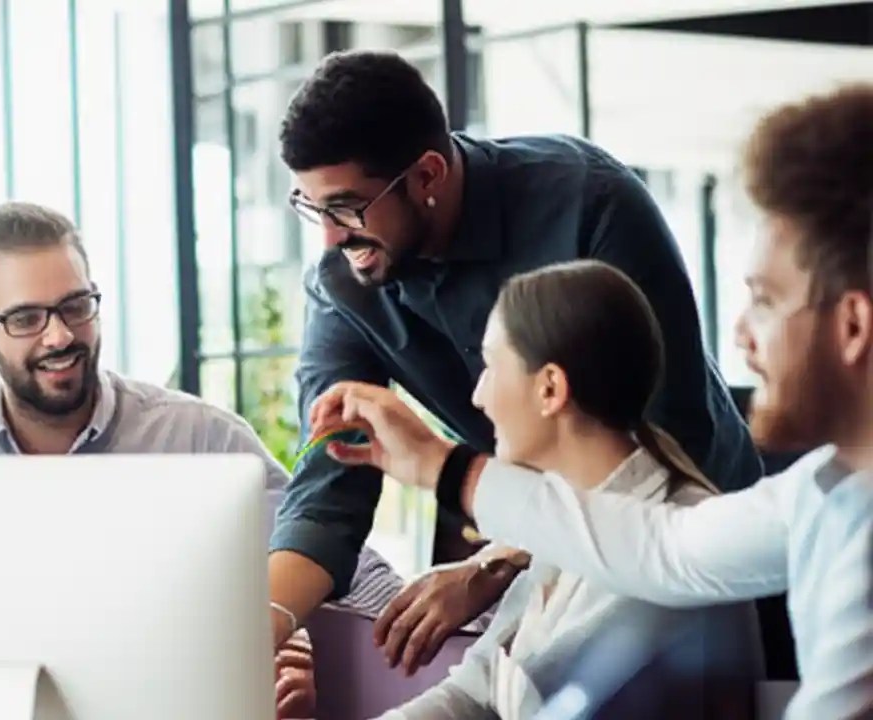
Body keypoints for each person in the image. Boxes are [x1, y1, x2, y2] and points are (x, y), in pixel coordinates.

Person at [310, 84, 873, 720]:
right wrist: (443, 470)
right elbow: (666, 550)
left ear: (852, 326)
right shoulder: (827, 493)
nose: (740, 334)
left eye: (767, 300)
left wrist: (445, 469)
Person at [267, 49, 761, 660]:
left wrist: (496, 562)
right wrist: (254, 629)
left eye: (345, 207)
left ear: (426, 176)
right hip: (545, 558)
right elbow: (328, 487)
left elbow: (663, 444)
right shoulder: (343, 281)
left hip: (706, 544)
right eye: (311, 208)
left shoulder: (589, 203)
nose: (329, 237)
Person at [0, 201, 406, 719]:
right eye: (26, 318)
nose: (60, 336)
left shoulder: (200, 440)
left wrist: (322, 657)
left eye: (75, 306)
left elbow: (362, 577)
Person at [316, 259, 761, 718]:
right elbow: (475, 691)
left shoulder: (671, 561)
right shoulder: (553, 533)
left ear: (550, 388)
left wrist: (437, 464)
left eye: (490, 366)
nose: (478, 395)